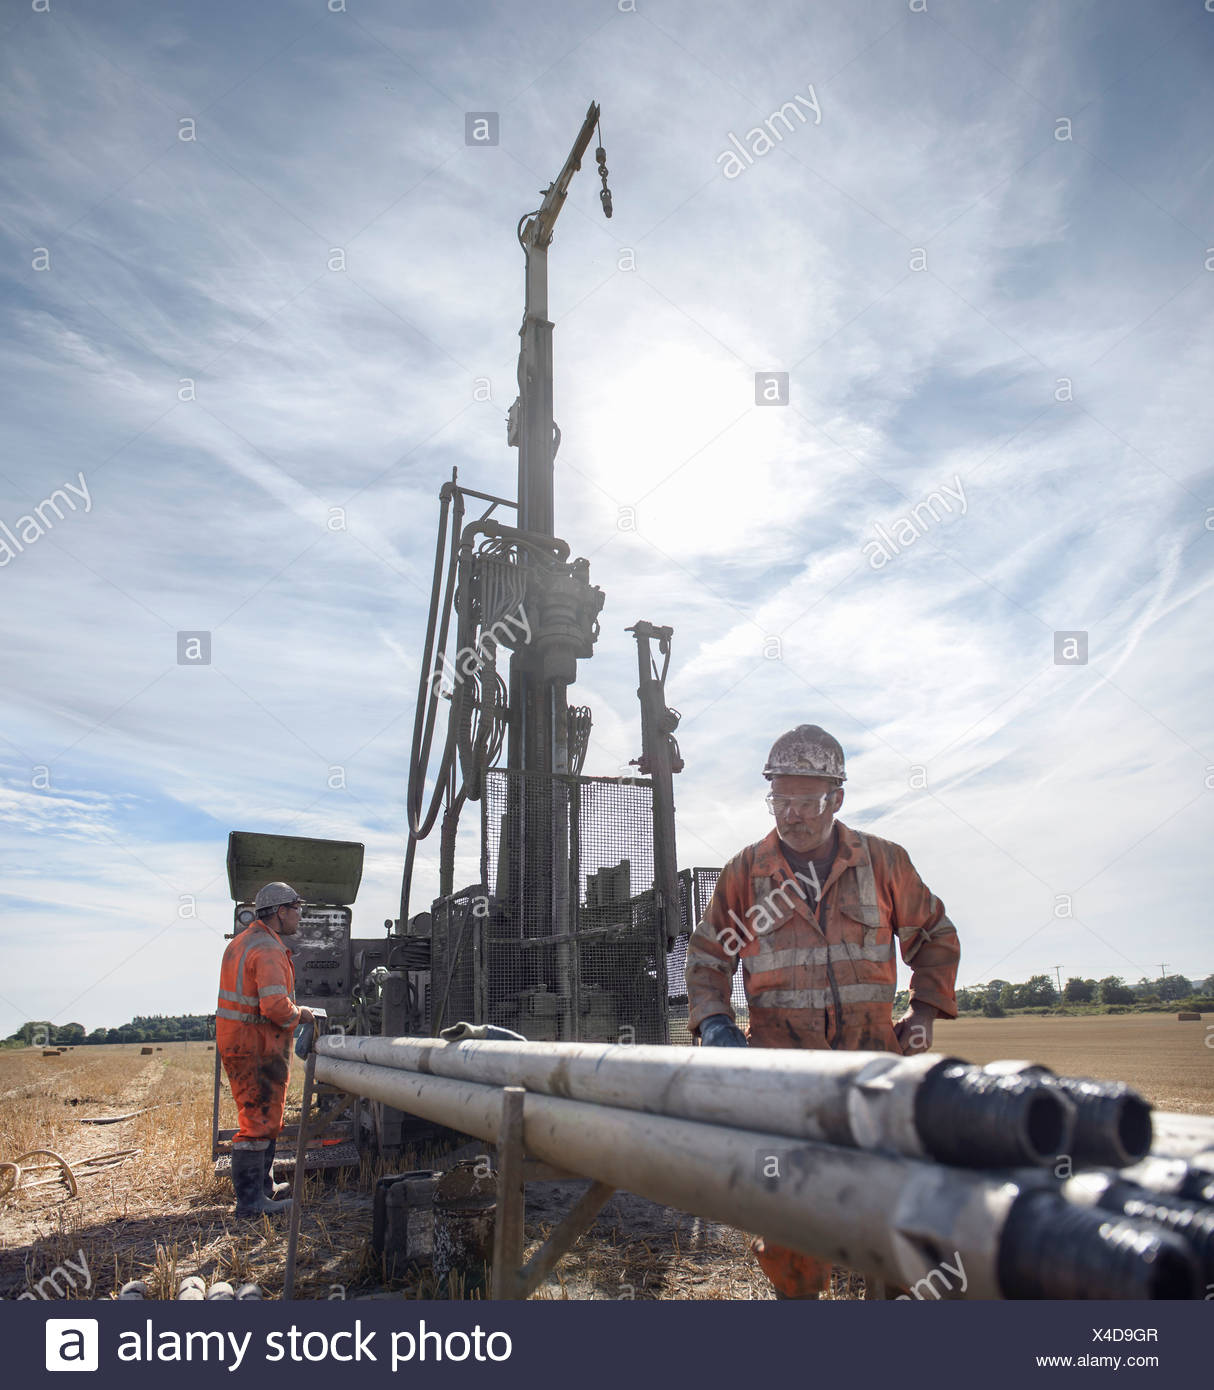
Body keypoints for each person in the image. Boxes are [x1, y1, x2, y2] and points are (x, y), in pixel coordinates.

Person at [684, 724, 960, 1298]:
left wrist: (926, 1011)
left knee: (890, 1214)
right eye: (779, 800)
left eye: (804, 802)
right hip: (783, 1084)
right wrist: (714, 1023)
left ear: (836, 798)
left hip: (874, 1074)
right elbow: (709, 957)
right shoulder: (746, 873)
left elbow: (933, 936)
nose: (790, 815)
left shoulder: (882, 862)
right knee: (789, 1222)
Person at [216, 881, 314, 1217]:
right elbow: (275, 1007)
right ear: (281, 911)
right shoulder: (269, 950)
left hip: (244, 1040)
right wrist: (301, 1014)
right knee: (257, 1121)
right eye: (296, 909)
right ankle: (251, 1203)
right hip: (254, 1045)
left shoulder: (245, 941)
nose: (300, 916)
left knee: (264, 1116)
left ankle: (264, 1189)